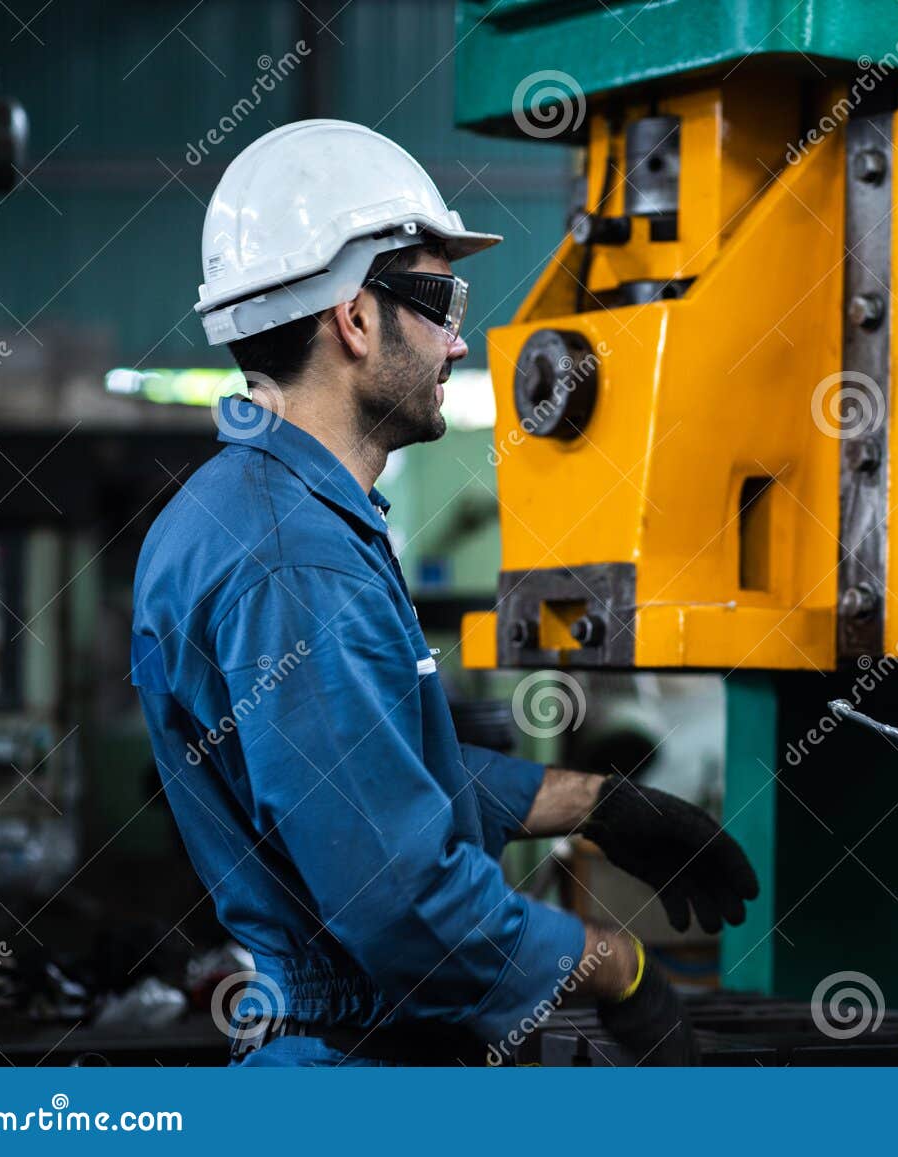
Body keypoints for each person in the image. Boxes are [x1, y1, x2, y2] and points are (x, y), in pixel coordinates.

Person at [130, 120, 757, 1066]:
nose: (460, 340)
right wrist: (615, 963)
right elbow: (405, 904)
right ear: (354, 317)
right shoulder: (297, 561)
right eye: (441, 300)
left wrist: (592, 801)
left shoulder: (247, 509)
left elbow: (359, 770)